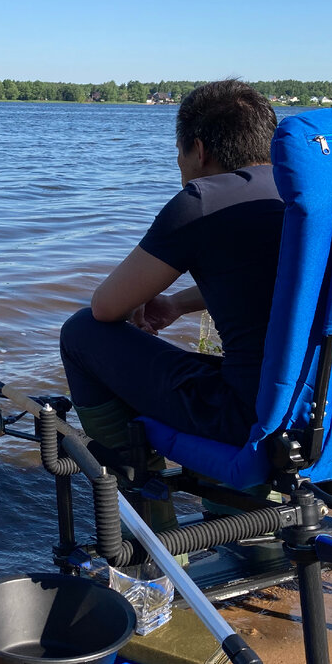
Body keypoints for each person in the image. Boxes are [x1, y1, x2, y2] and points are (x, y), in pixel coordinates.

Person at [59, 79, 284, 527]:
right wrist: (178, 304)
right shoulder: (307, 195)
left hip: (249, 414)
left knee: (82, 334)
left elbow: (106, 308)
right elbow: (278, 281)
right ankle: (255, 534)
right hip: (322, 404)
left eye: (179, 154)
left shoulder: (203, 202)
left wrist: (136, 305)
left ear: (198, 149)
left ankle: (147, 518)